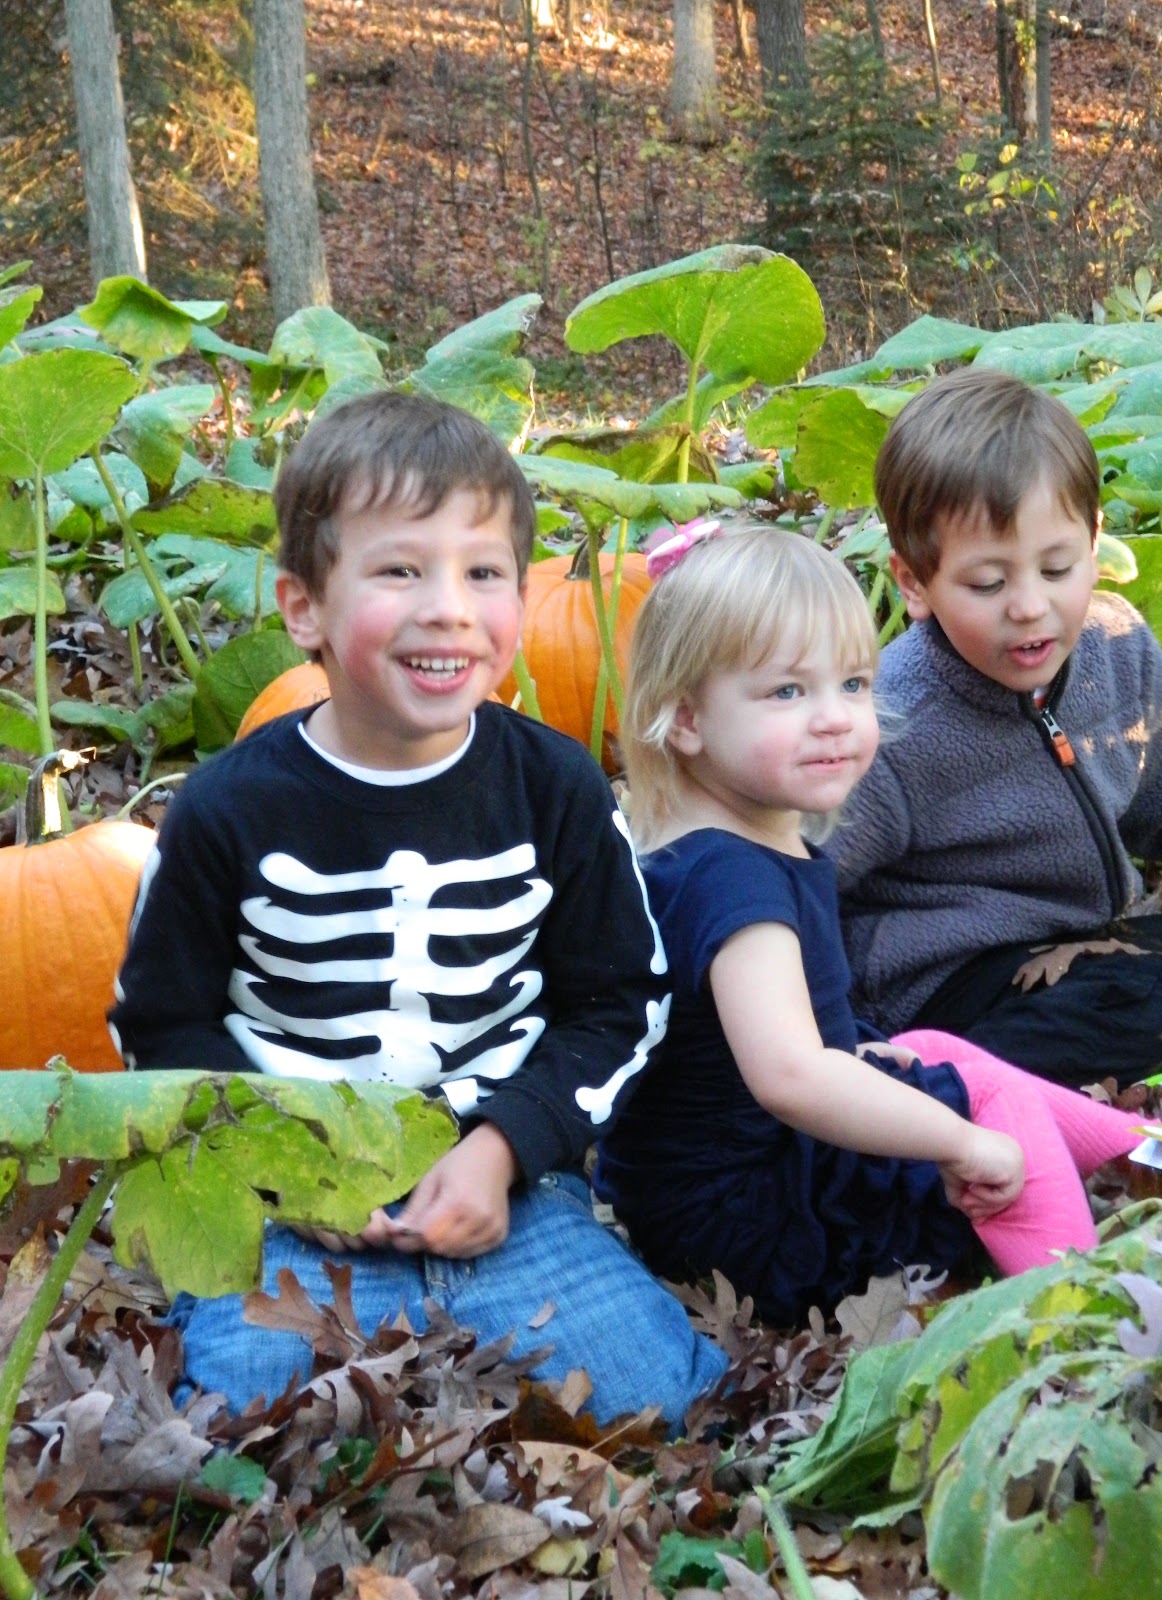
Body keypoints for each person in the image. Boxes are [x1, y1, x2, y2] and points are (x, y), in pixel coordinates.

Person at [110, 390, 726, 1424]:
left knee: (653, 1394)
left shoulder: (555, 788)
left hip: (508, 1188)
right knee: (251, 1424)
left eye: (482, 573)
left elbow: (620, 1001)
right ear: (303, 605)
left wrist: (502, 1147)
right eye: (400, 569)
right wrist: (290, 1166)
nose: (447, 606)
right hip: (282, 1204)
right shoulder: (224, 809)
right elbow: (157, 1024)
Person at [592, 527, 1143, 1326]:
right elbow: (790, 1075)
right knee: (991, 1118)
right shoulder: (735, 883)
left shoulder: (734, 841)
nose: (833, 719)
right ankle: (1081, 1313)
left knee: (937, 1051)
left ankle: (1135, 1147)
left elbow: (774, 1042)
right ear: (685, 721)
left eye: (851, 683)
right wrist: (962, 1147)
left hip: (713, 1178)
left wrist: (861, 1048)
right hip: (748, 1215)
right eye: (786, 692)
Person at [828, 367, 1162, 1090]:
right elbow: (802, 879)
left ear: (1093, 543)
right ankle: (933, 1087)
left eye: (1057, 567)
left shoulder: (1119, 649)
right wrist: (830, 1036)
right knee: (1153, 1000)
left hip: (1092, 951)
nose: (1029, 606)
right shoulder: (890, 720)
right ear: (912, 583)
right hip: (952, 987)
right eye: (987, 584)